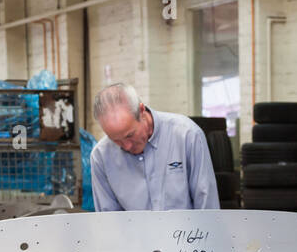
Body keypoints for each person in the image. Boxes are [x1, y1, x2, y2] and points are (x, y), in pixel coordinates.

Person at [89, 82, 218, 212]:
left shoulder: (187, 135)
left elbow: (207, 207)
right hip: (133, 232)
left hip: (186, 232)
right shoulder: (101, 156)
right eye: (116, 140)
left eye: (130, 135)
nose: (127, 146)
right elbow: (108, 221)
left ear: (141, 111)